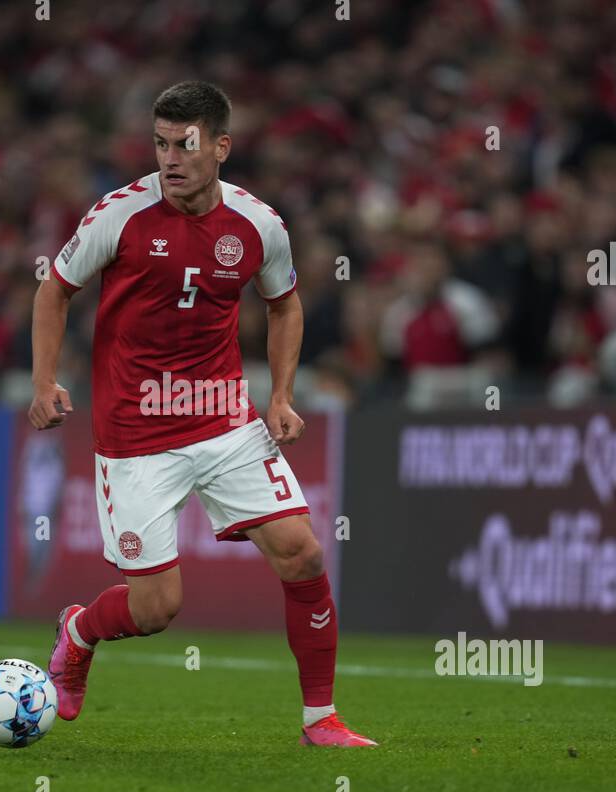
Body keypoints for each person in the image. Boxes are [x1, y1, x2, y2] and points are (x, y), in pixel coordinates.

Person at [26, 81, 375, 746]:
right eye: (160, 144)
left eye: (184, 144)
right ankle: (78, 631)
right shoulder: (119, 215)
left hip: (224, 419)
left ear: (220, 146)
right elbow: (55, 290)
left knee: (302, 554)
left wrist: (278, 396)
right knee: (158, 608)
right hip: (135, 435)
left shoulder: (259, 225)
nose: (170, 158)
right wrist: (45, 380)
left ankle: (320, 719)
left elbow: (285, 304)